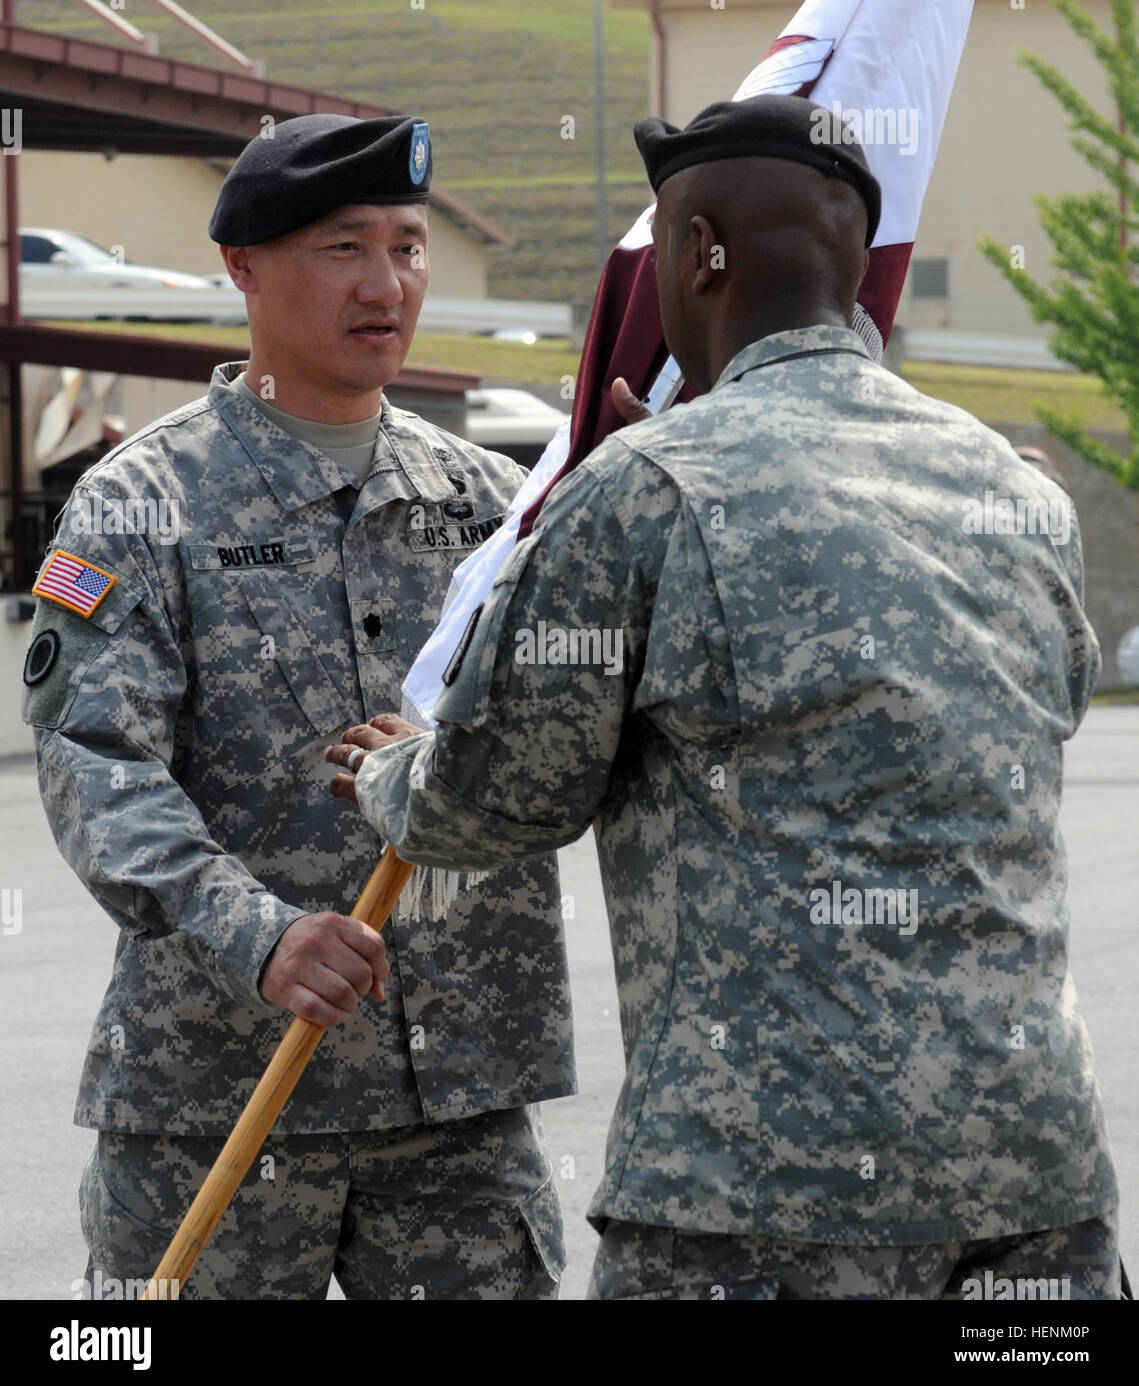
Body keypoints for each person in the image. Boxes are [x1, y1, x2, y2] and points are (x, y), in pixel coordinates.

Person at [328, 95, 1120, 1300]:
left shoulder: (644, 490)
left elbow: (492, 804)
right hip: (1033, 1187)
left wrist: (396, 770)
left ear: (699, 254)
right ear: (853, 266)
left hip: (757, 1200)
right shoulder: (1013, 493)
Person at [22, 113, 574, 1301]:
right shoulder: (139, 504)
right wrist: (257, 932)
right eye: (343, 248)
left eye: (411, 247)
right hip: (212, 1100)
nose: (388, 284)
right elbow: (95, 764)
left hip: (458, 1111)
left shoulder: (496, 510)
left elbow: (577, 748)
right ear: (244, 266)